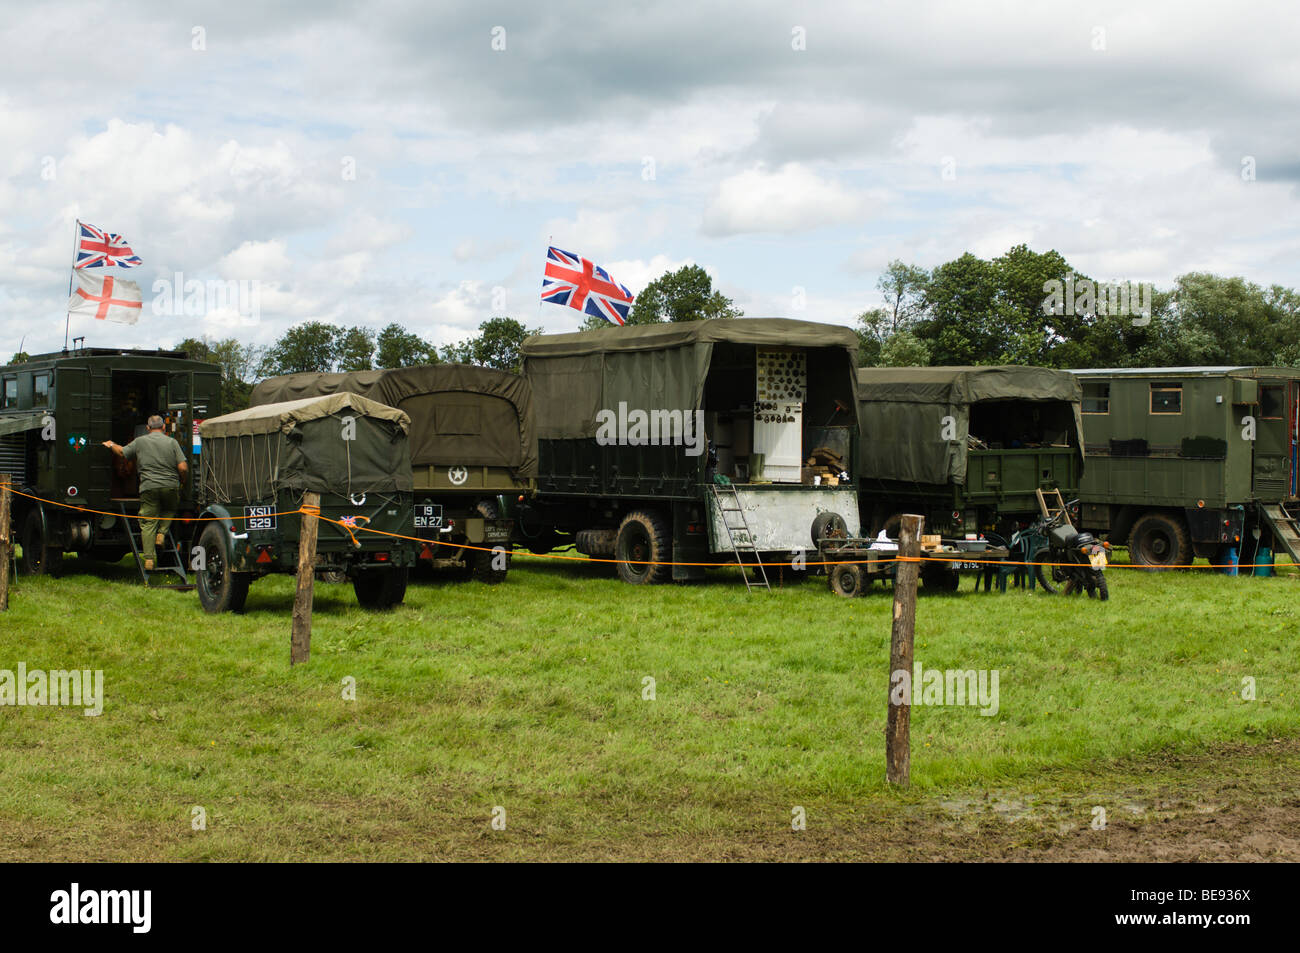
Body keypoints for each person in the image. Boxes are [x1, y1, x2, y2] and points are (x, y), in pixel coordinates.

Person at [103, 415, 188, 571]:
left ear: (148, 428)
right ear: (163, 427)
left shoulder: (140, 441)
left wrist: (110, 444)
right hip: (170, 486)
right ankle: (162, 533)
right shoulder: (172, 442)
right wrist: (182, 481)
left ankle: (149, 559)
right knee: (170, 508)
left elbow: (122, 453)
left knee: (148, 522)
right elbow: (182, 467)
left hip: (148, 486)